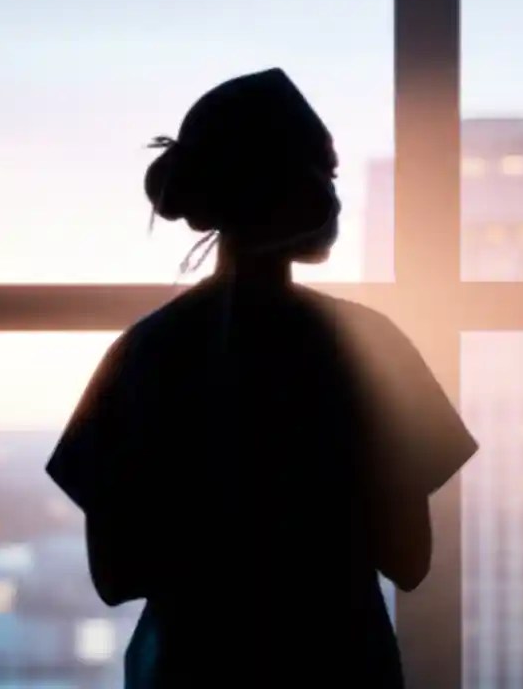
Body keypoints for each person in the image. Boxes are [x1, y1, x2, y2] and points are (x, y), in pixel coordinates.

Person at [44, 68, 477, 687]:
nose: (336, 195)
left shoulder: (144, 352)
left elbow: (115, 576)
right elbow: (410, 560)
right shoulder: (370, 346)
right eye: (327, 174)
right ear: (293, 190)